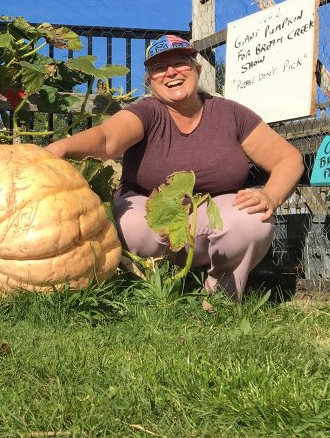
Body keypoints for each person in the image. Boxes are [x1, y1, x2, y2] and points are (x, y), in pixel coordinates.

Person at [45, 34, 304, 300]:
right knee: (132, 223)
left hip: (210, 214)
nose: (171, 72)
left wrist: (271, 195)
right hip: (150, 212)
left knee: (253, 221)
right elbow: (108, 138)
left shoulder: (231, 114)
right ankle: (152, 290)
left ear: (197, 69)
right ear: (149, 81)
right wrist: (61, 148)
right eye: (159, 68)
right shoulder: (147, 112)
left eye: (180, 62)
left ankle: (223, 298)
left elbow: (288, 158)